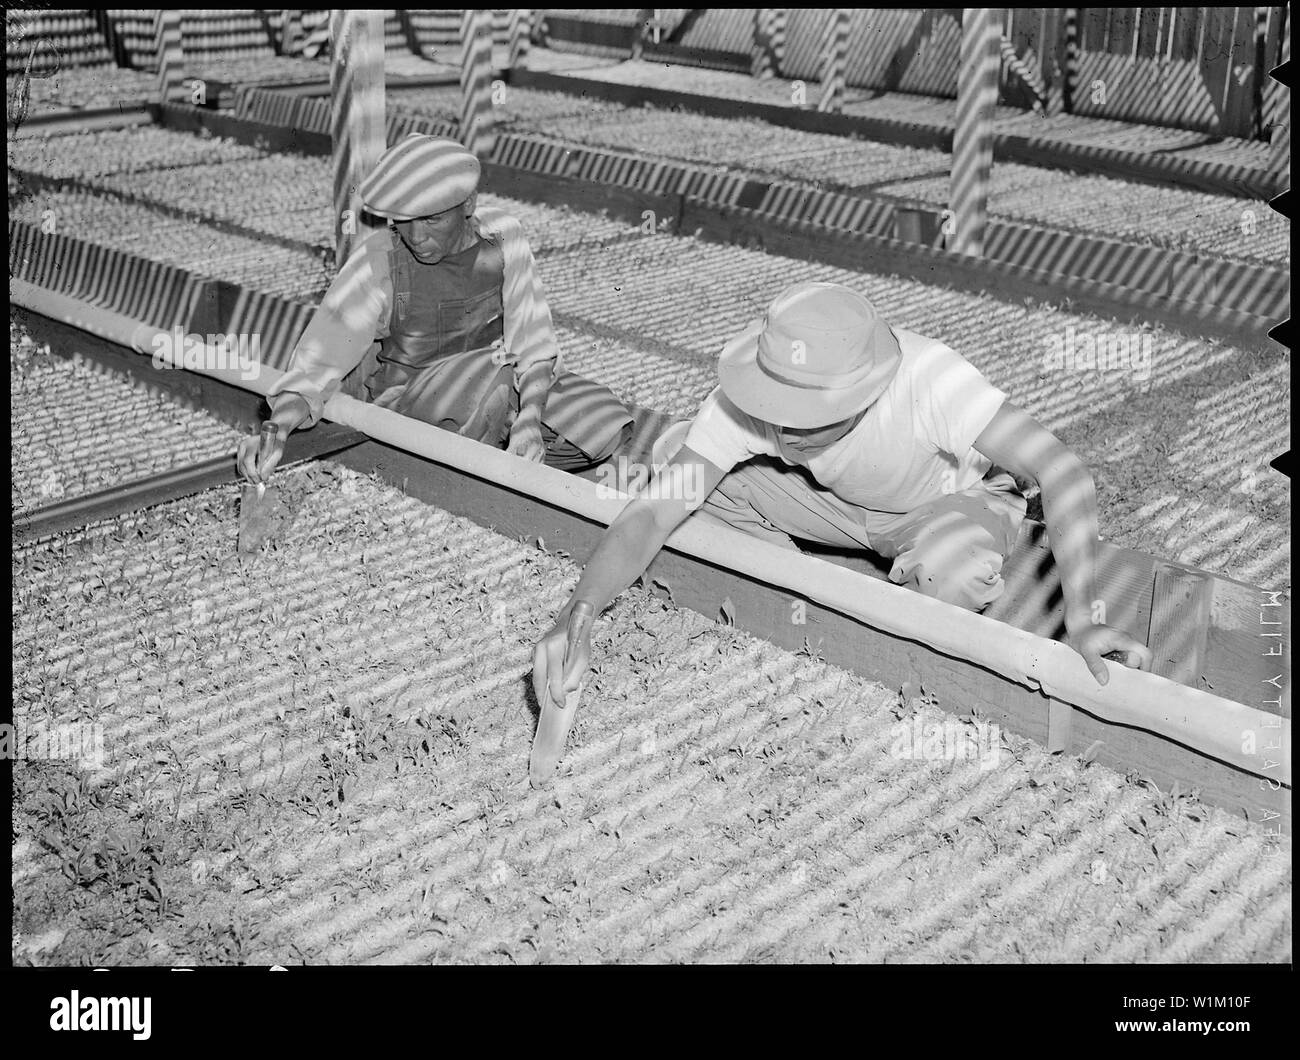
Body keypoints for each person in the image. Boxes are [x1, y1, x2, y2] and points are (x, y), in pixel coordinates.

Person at [533, 281, 1152, 762]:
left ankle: (880, 569)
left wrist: (1085, 620)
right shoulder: (753, 397)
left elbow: (1064, 473)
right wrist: (578, 612)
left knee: (950, 572)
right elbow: (649, 517)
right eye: (777, 410)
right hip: (837, 508)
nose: (783, 426)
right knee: (679, 473)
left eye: (806, 417)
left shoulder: (928, 378)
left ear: (866, 391)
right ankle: (804, 572)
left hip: (946, 503)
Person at [238, 134, 632, 483]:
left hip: (485, 382)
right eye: (403, 221)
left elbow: (533, 344)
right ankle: (470, 462)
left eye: (431, 220)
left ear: (469, 204)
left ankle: (494, 443)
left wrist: (529, 419)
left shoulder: (503, 237)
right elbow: (315, 368)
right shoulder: (378, 261)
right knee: (492, 381)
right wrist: (277, 428)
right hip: (407, 401)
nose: (415, 237)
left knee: (604, 425)